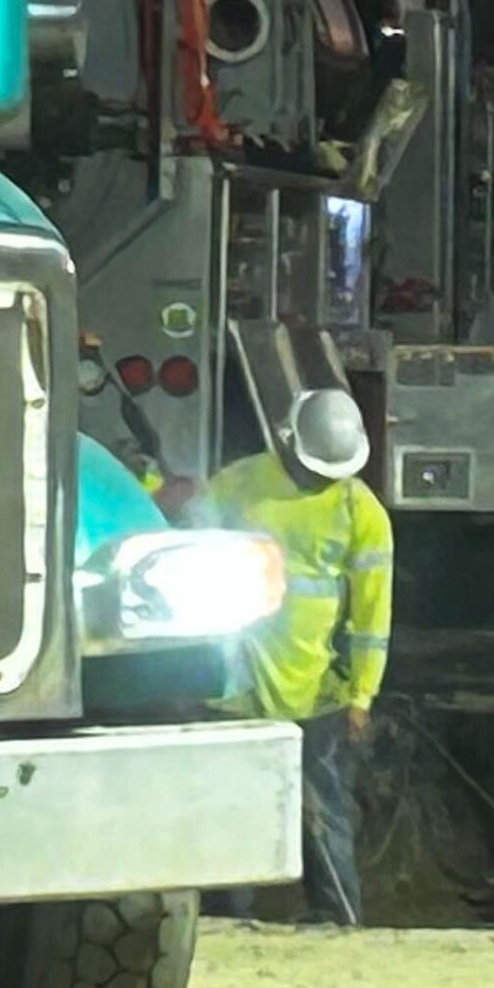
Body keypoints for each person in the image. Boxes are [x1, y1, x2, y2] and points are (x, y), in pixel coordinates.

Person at [201, 386, 395, 924]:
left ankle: (333, 916)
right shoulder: (239, 485)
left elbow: (371, 617)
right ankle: (231, 916)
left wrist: (362, 694)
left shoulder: (359, 510)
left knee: (318, 810)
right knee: (240, 806)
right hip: (242, 685)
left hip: (308, 692)